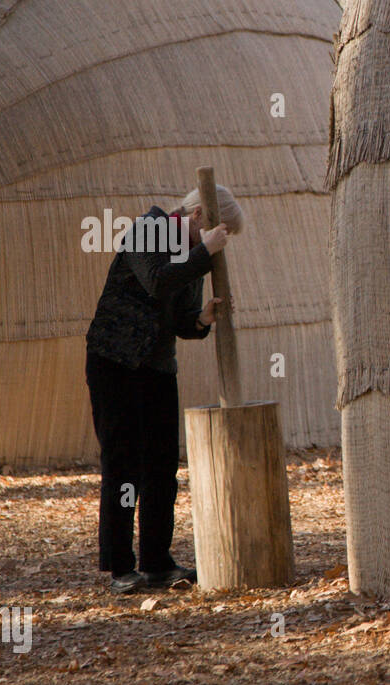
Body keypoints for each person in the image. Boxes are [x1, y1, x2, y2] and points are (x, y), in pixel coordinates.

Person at [84, 186, 243, 594]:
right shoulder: (150, 228)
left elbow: (176, 318)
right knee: (122, 465)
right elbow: (156, 281)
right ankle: (121, 566)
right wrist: (204, 253)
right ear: (196, 216)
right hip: (115, 360)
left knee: (161, 465)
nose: (216, 244)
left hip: (156, 364)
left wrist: (200, 320)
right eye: (216, 232)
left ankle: (157, 561)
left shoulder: (196, 255)